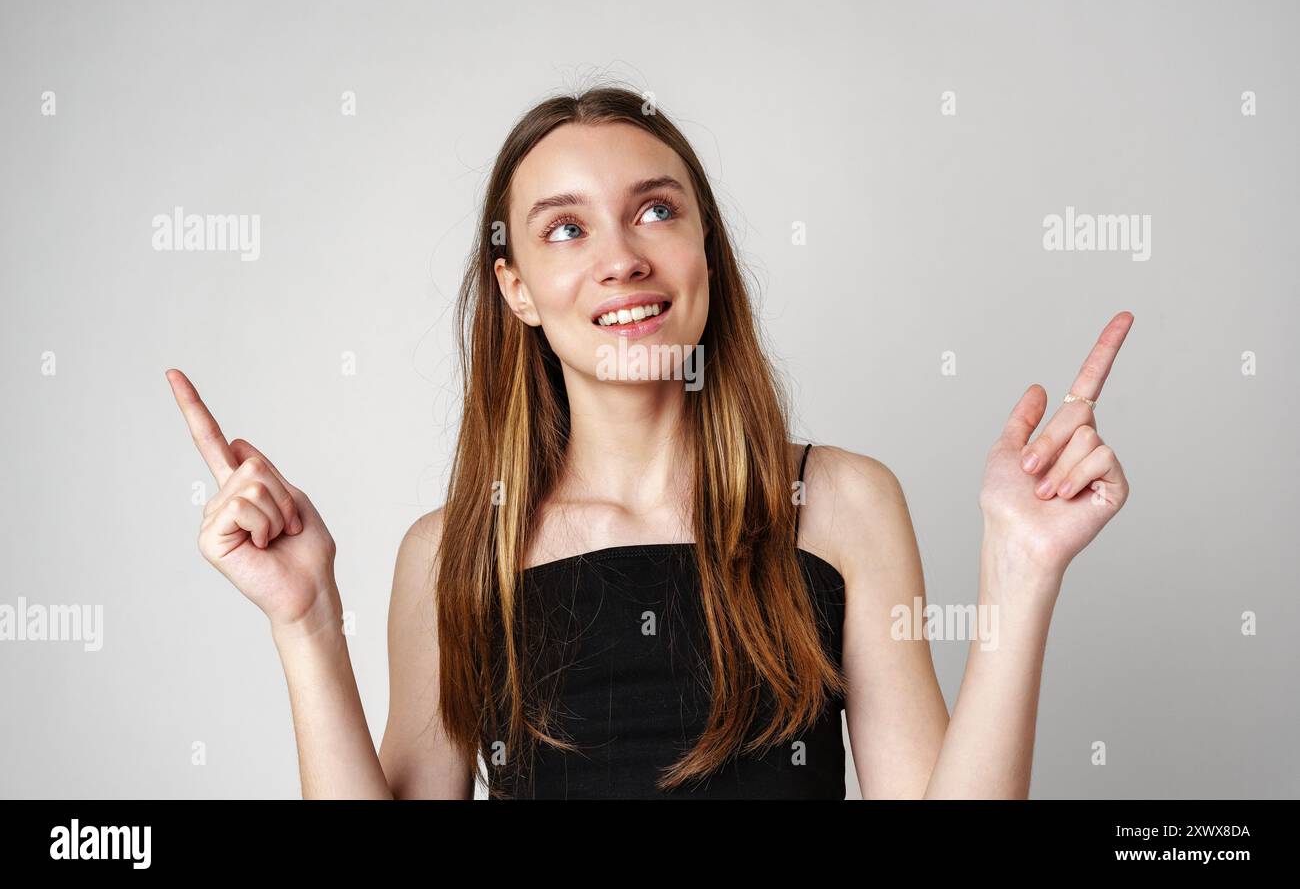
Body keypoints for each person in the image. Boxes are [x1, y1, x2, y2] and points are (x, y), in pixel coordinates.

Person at [165, 85, 1133, 799]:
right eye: (564, 230)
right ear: (516, 291)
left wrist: (1021, 571)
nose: (620, 256)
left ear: (702, 246)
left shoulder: (841, 503)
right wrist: (305, 622)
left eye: (655, 210)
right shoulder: (455, 550)